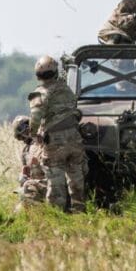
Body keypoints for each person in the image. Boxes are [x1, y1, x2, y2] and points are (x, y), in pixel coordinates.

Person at [30, 55, 86, 209]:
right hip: (74, 137)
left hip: (55, 141)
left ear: (38, 76)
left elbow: (35, 117)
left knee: (55, 180)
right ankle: (79, 210)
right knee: (76, 176)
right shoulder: (66, 88)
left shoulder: (40, 93)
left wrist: (33, 135)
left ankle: (57, 212)